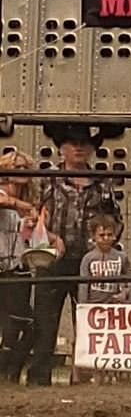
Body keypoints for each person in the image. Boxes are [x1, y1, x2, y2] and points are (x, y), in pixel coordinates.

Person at [6, 125, 119, 386]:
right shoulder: (48, 179)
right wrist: (51, 236)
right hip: (52, 259)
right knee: (45, 321)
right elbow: (34, 212)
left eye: (84, 143)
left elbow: (115, 218)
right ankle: (39, 377)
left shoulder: (102, 183)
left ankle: (83, 375)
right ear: (62, 148)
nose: (78, 148)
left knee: (88, 319)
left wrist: (102, 247)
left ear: (92, 149)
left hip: (89, 261)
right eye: (72, 143)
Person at [0, 151, 39, 374]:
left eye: (25, 167)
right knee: (15, 323)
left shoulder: (28, 201)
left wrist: (53, 239)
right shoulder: (5, 195)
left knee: (22, 325)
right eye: (16, 167)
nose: (22, 171)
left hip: (19, 267)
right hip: (3, 267)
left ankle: (10, 373)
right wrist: (19, 205)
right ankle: (7, 372)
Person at [78, 214, 130, 305]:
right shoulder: (88, 259)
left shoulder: (122, 257)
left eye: (109, 235)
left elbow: (130, 281)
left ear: (115, 235)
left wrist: (125, 293)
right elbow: (84, 286)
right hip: (94, 305)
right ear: (93, 236)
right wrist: (84, 305)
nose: (106, 238)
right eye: (102, 235)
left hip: (115, 305)